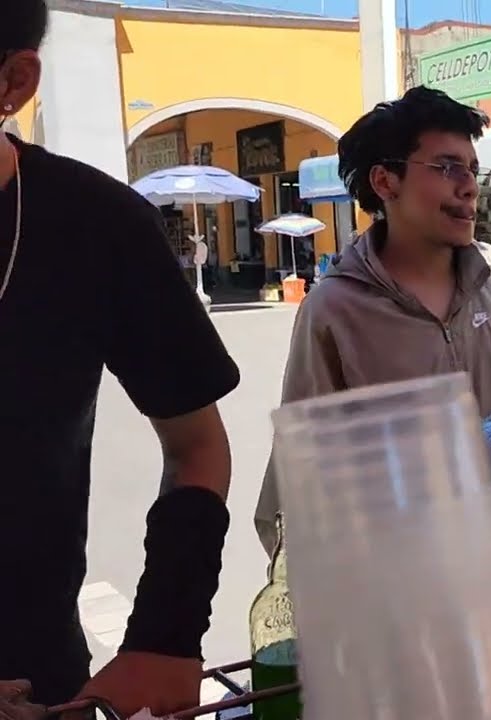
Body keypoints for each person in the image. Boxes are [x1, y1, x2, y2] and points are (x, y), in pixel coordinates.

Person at [0, 1, 241, 712]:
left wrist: (164, 634)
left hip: (44, 685)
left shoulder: (96, 226)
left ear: (14, 81)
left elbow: (197, 444)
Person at [254, 87, 491, 551]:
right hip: (403, 581)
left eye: (474, 170)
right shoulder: (334, 311)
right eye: (447, 168)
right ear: (385, 182)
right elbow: (302, 481)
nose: (469, 186)